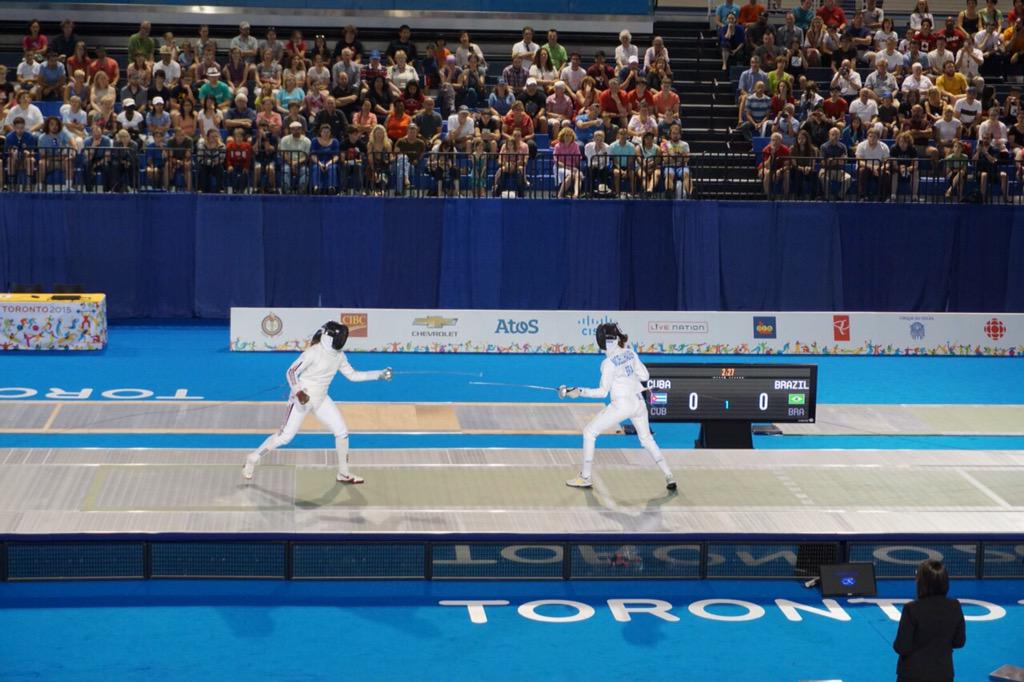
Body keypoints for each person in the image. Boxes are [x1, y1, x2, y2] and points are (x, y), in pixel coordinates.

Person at [243, 322, 393, 484]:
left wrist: (379, 374)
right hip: (302, 400)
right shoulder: (313, 353)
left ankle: (343, 473)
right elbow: (291, 371)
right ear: (330, 337)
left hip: (321, 399)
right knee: (285, 437)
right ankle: (252, 458)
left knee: (341, 432)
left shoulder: (339, 355)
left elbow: (353, 375)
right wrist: (298, 392)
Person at [559, 323, 676, 491]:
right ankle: (669, 476)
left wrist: (579, 391)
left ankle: (585, 477)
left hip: (622, 405)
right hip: (639, 402)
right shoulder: (630, 353)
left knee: (589, 432)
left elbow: (602, 393)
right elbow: (645, 375)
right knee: (647, 439)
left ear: (603, 341)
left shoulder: (607, 363)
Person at [894, 560, 966, 681]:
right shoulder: (955, 606)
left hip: (912, 676)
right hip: (943, 674)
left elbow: (901, 647)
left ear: (921, 583)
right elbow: (959, 642)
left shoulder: (911, 609)